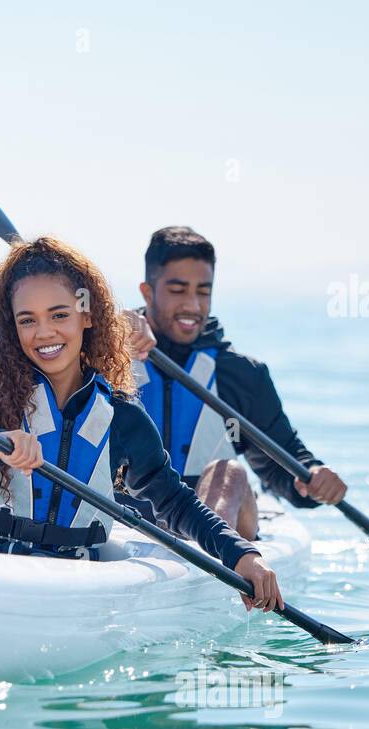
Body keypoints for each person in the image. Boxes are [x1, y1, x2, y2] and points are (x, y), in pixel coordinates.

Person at [0, 236, 283, 612]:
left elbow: (175, 501)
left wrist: (243, 555)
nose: (44, 332)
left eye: (59, 315)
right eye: (27, 320)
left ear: (87, 317)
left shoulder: (121, 416)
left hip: (76, 579)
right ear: (12, 329)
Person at [124, 226, 347, 540]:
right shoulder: (108, 355)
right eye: (178, 290)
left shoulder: (242, 375)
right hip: (123, 530)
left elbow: (284, 464)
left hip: (211, 530)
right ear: (147, 293)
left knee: (229, 472)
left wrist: (312, 477)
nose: (193, 305)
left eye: (203, 291)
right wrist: (111, 327)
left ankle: (211, 553)